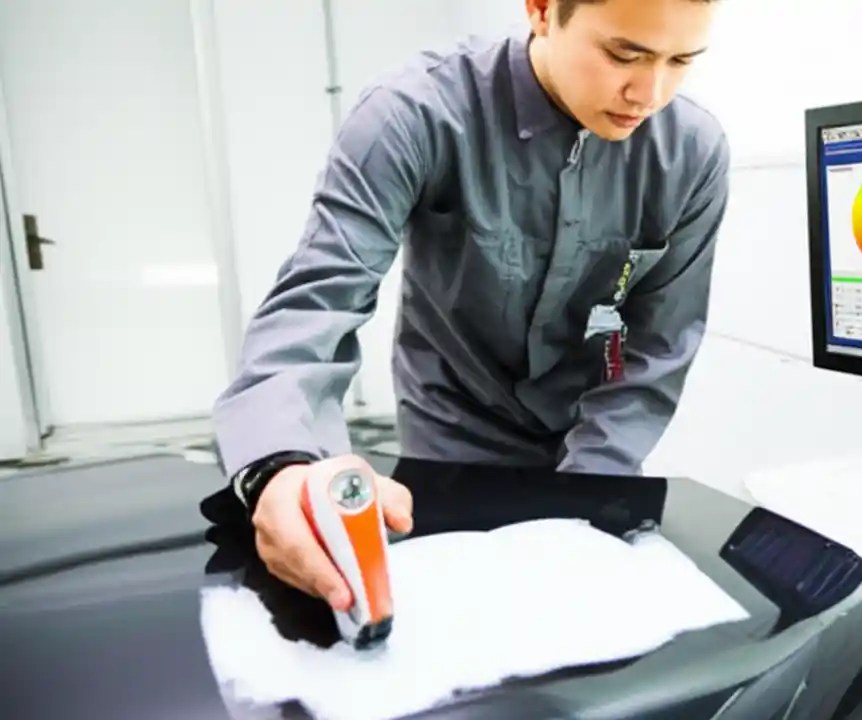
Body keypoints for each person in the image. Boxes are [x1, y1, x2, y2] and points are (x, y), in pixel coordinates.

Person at [212, 0, 729, 612]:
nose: (650, 92)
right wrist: (279, 463)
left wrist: (590, 489)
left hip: (597, 442)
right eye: (624, 54)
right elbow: (318, 301)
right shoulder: (412, 116)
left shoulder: (692, 153)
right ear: (540, 9)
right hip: (450, 433)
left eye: (681, 61)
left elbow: (658, 347)